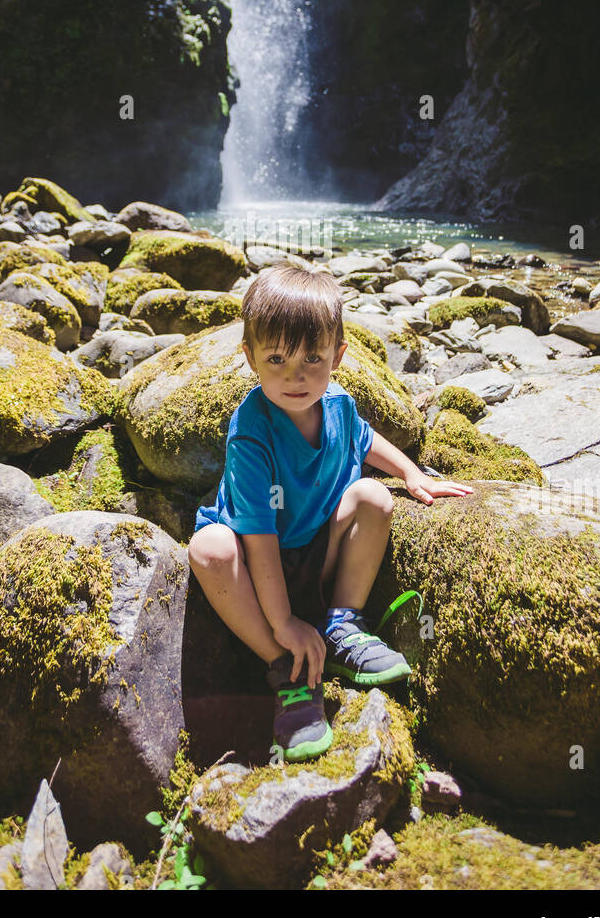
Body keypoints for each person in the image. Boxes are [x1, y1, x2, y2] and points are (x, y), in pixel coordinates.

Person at [188, 262, 474, 763]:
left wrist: (412, 473)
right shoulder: (250, 431)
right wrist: (283, 624)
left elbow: (367, 441)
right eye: (276, 358)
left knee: (374, 497)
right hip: (257, 566)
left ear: (338, 356)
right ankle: (287, 668)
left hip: (315, 552)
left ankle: (341, 625)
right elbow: (257, 539)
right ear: (249, 356)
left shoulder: (338, 404)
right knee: (207, 549)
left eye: (312, 359)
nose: (294, 377)